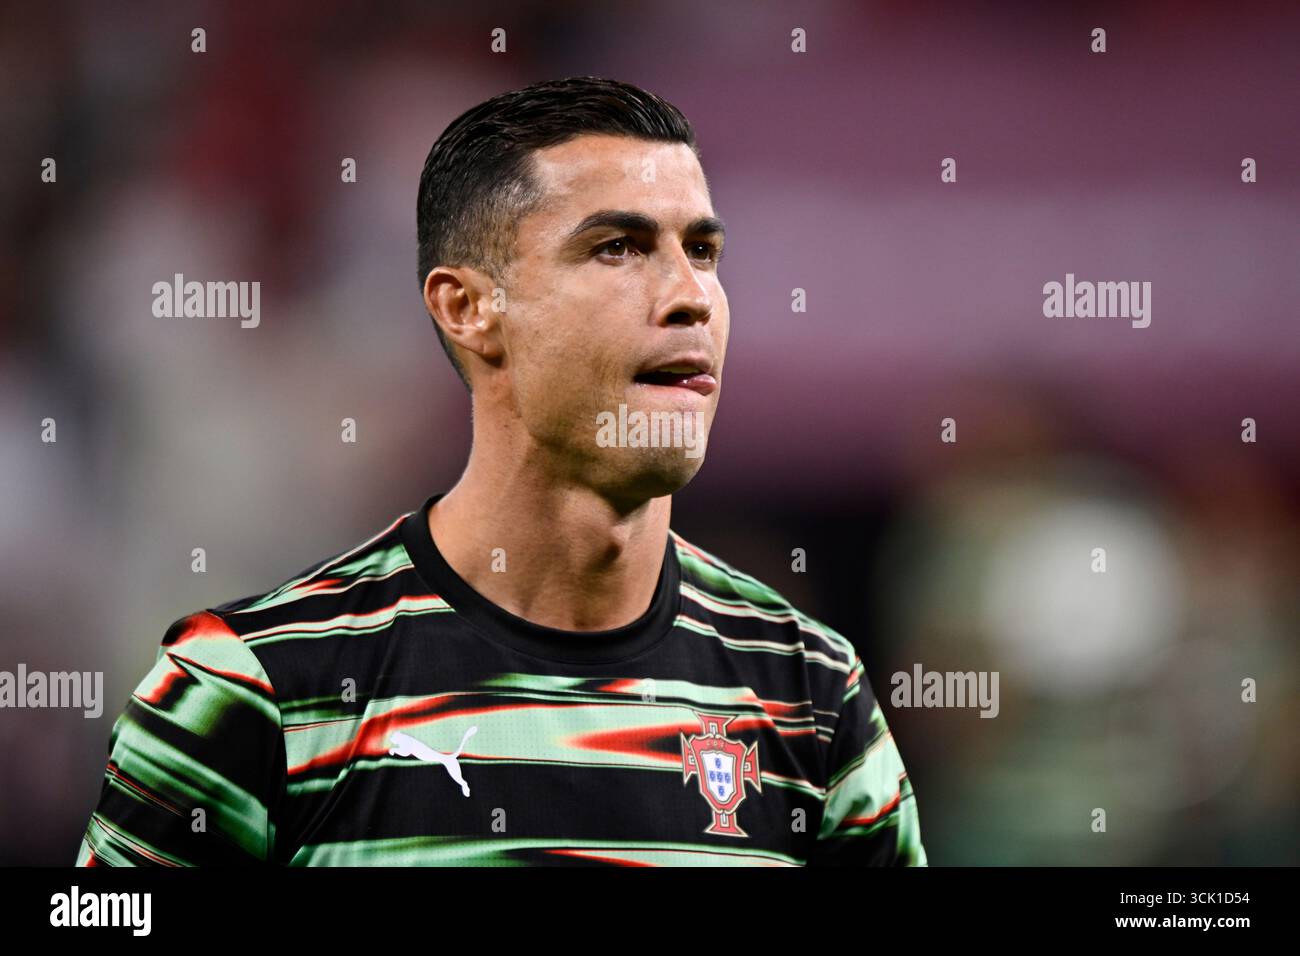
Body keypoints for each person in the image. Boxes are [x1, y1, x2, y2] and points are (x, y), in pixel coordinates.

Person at [76, 76, 926, 867]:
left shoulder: (812, 692)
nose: (691, 295)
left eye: (702, 251)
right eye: (618, 248)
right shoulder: (251, 691)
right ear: (469, 309)